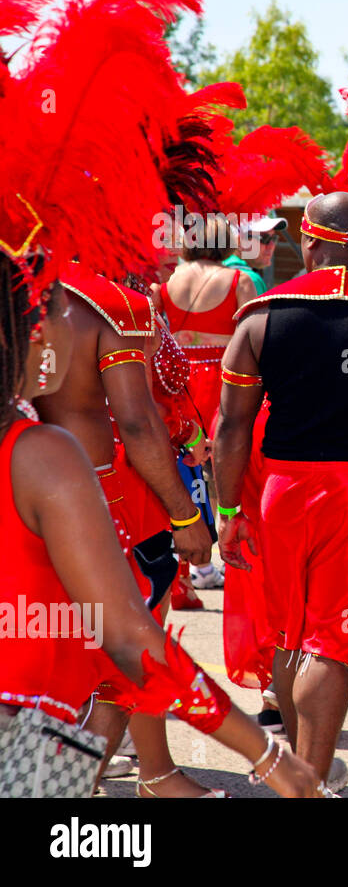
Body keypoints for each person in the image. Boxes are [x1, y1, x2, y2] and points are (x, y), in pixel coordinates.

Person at [0, 258, 321, 798]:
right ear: (27, 331)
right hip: (19, 740)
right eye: (52, 316)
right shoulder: (41, 457)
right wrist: (266, 756)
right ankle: (150, 775)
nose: (61, 329)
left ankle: (146, 773)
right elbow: (133, 643)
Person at [213, 191, 348, 791]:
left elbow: (231, 424)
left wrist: (227, 510)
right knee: (330, 642)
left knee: (290, 632)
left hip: (282, 488)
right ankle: (309, 777)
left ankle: (298, 769)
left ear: (310, 241)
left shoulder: (261, 314)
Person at [33, 261, 224, 797]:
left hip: (20, 493)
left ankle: (148, 773)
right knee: (121, 668)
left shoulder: (20, 287)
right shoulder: (113, 304)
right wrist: (186, 516)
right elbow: (136, 422)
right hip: (96, 504)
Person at [155, 216, 260, 596]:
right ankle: (227, 556)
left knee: (183, 469)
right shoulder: (239, 281)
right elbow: (251, 337)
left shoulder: (166, 282)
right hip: (223, 379)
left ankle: (183, 574)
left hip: (179, 379)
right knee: (227, 469)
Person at [226, 215, 286, 294]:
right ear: (239, 241)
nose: (271, 245)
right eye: (264, 238)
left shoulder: (213, 268)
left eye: (274, 238)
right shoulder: (250, 280)